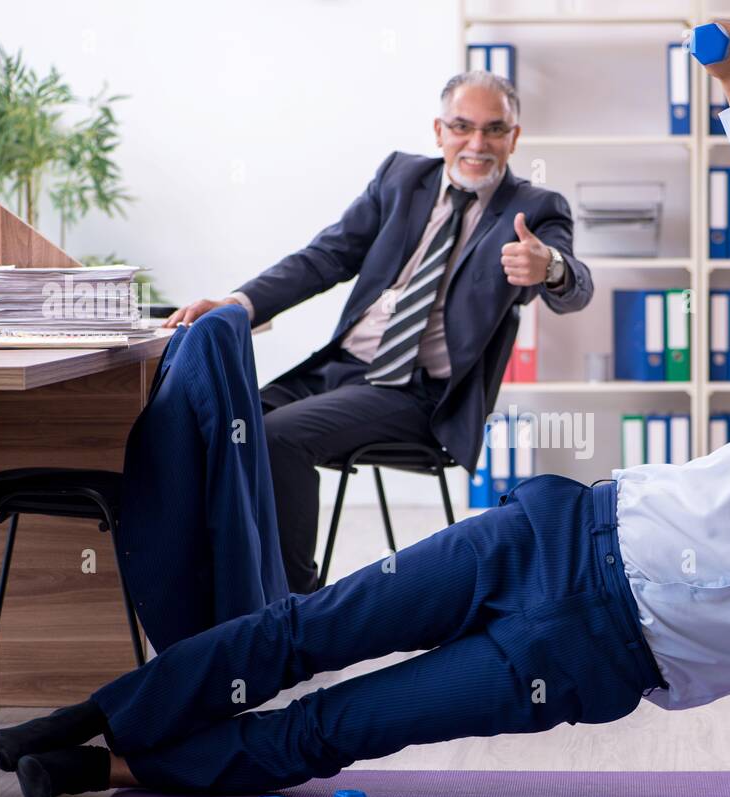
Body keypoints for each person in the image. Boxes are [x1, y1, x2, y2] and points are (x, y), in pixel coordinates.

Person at [0, 22, 730, 797]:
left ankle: (112, 768)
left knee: (349, 726)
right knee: (306, 633)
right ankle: (93, 716)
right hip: (558, 533)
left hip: (589, 654)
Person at [164, 70, 594, 593]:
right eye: (462, 126)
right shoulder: (400, 178)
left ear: (514, 137)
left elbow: (577, 286)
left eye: (494, 130)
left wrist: (547, 266)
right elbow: (327, 257)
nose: (477, 144)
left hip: (420, 396)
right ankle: (230, 588)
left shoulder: (536, 209)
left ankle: (295, 609)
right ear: (438, 130)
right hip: (342, 373)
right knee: (221, 425)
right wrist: (239, 302)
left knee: (277, 439)